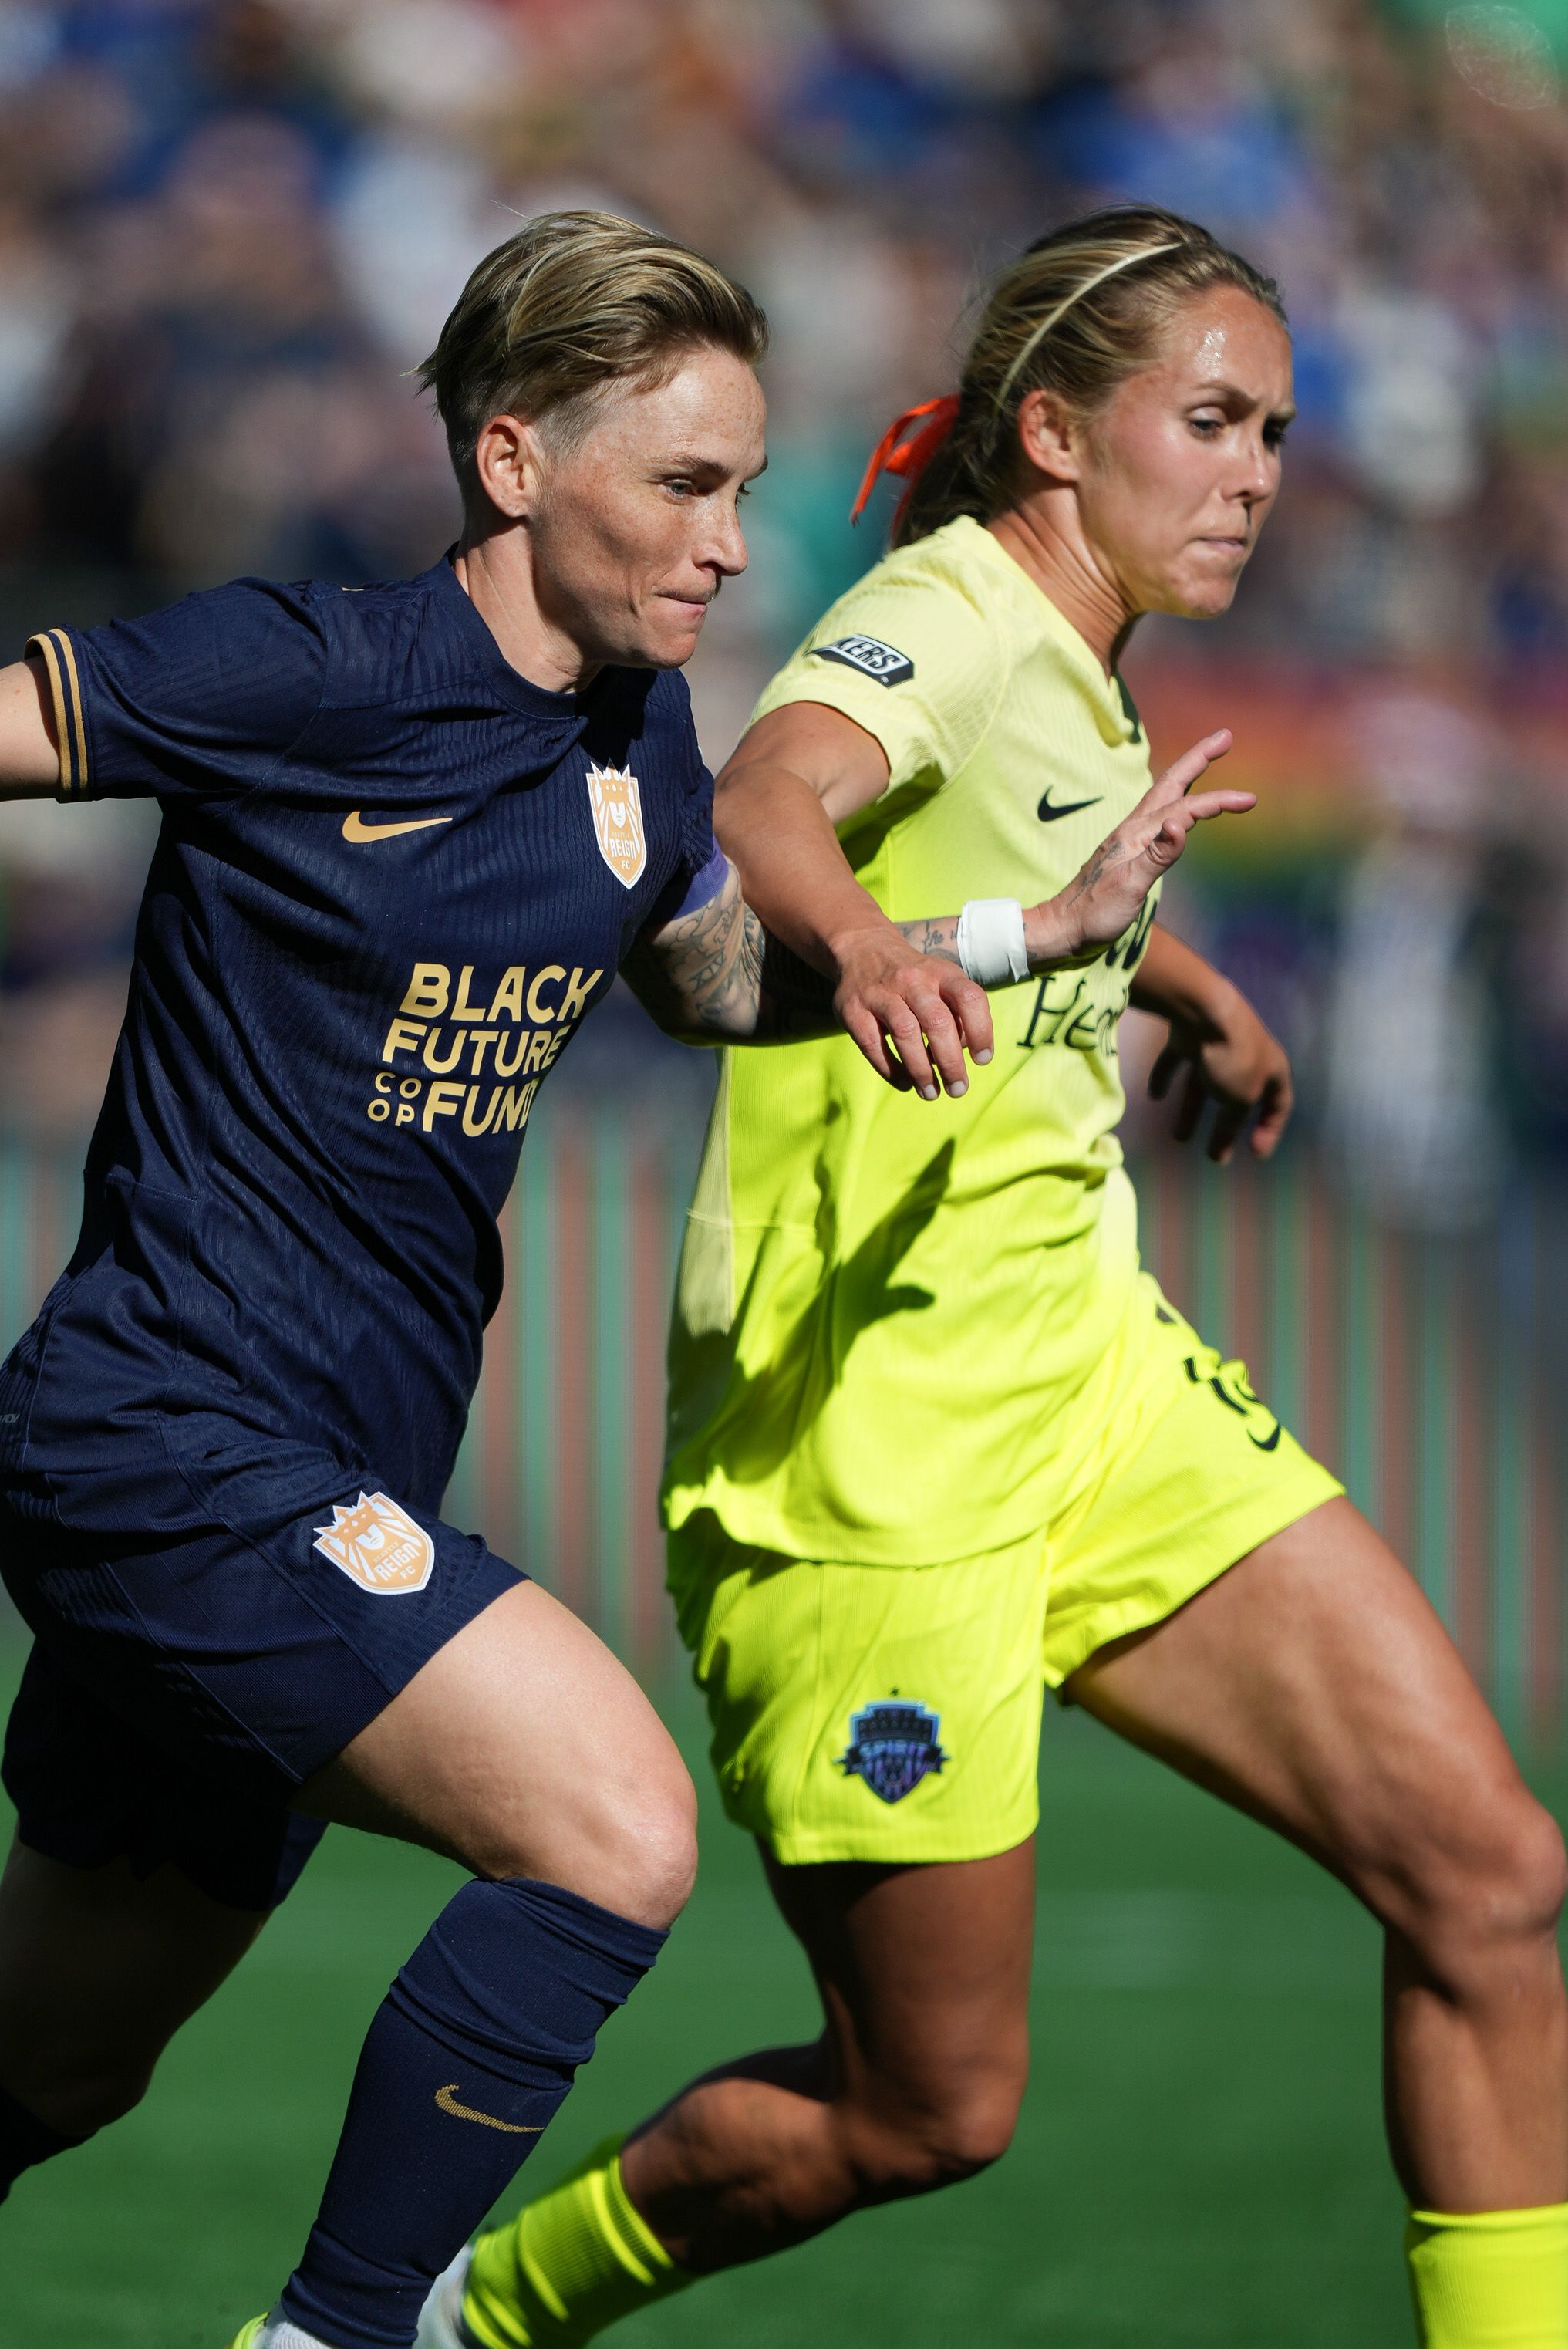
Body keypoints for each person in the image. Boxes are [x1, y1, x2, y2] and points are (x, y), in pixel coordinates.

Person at [0, 209, 1237, 2349]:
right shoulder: (304, 667)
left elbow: (698, 974)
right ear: (512, 464)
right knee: (607, 1830)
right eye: (678, 483)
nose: (724, 542)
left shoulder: (630, 731)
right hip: (163, 1441)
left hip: (323, 1460)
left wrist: (1014, 941)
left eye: (741, 487)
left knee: (49, 2060)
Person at [435, 208, 1568, 2349]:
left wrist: (1183, 985)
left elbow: (1014, 879)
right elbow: (780, 795)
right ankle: (466, 2317)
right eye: (1210, 422)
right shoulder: (946, 613)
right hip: (873, 1462)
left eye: (1275, 432)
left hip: (1093, 1388)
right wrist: (855, 949)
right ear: (1051, 432)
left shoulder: (1076, 653)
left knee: (1488, 1879)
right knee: (921, 2114)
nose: (1254, 472)